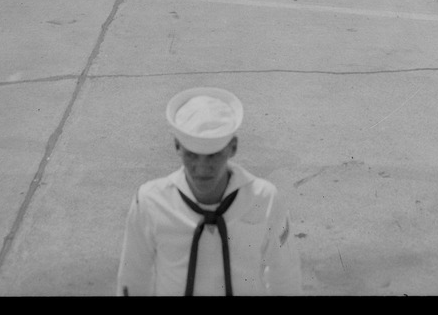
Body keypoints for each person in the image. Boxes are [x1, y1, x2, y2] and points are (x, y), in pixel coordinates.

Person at [116, 87, 302, 296]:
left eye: (213, 155)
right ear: (177, 146)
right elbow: (133, 278)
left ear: (233, 147)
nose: (202, 168)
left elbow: (285, 277)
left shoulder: (265, 199)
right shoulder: (150, 202)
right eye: (192, 155)